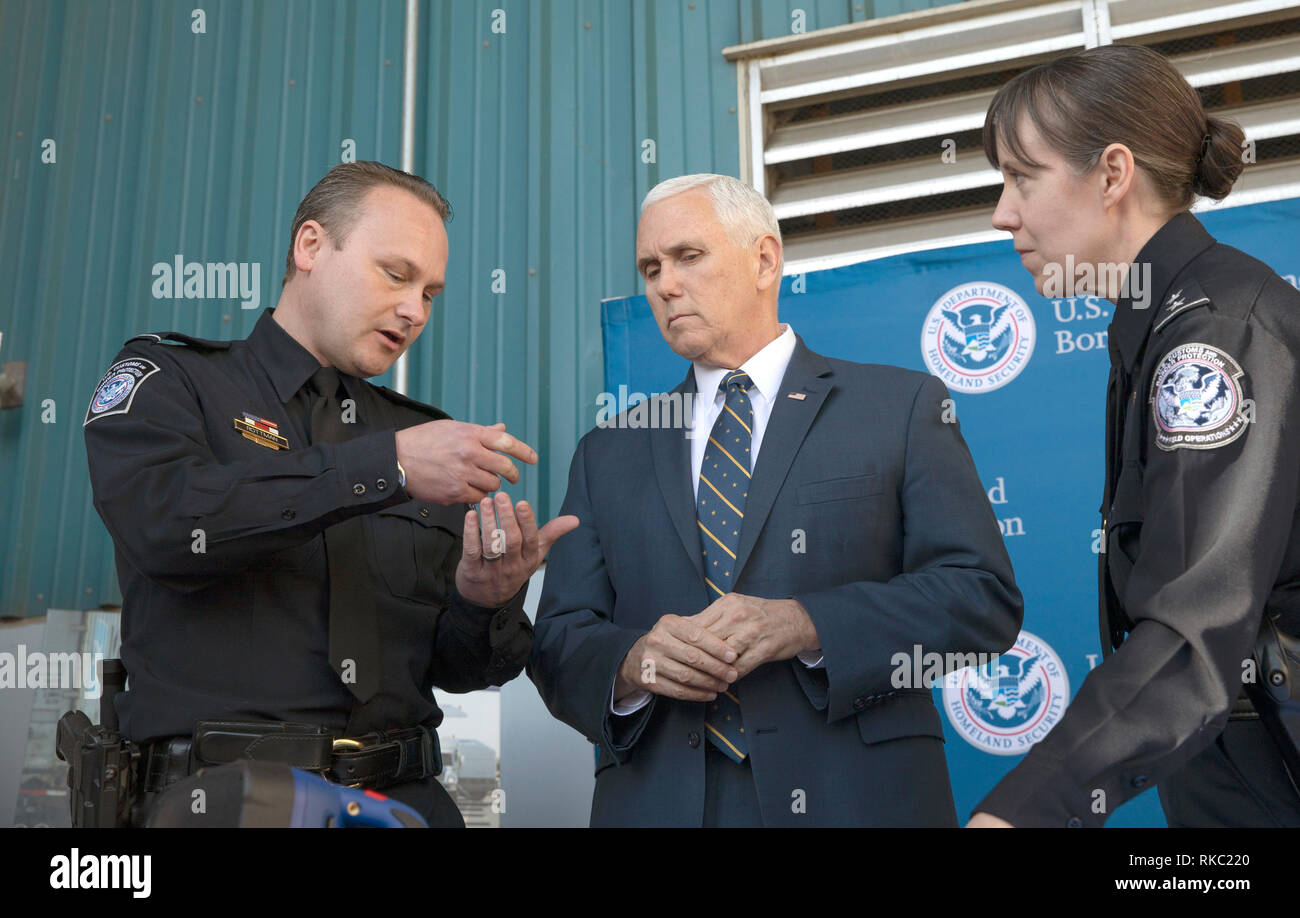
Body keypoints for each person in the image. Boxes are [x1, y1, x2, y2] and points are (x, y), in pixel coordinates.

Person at [82, 161, 577, 827]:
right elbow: (169, 525)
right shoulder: (172, 382)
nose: (414, 310)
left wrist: (482, 599)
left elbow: (461, 669)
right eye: (396, 274)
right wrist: (381, 467)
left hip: (403, 806)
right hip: (227, 805)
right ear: (310, 246)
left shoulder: (420, 435)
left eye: (430, 292)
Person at [528, 173, 1023, 827]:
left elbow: (980, 602)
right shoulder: (607, 451)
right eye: (650, 267)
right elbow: (559, 642)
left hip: (857, 801)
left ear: (764, 258)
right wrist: (630, 662)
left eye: (688, 256)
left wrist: (807, 624)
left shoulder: (900, 408)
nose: (664, 285)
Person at [968, 45, 1300, 828]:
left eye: (1021, 177)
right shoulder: (1167, 325)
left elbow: (1195, 627)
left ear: (1113, 174)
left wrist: (1024, 811)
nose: (1001, 212)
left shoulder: (1212, 335)